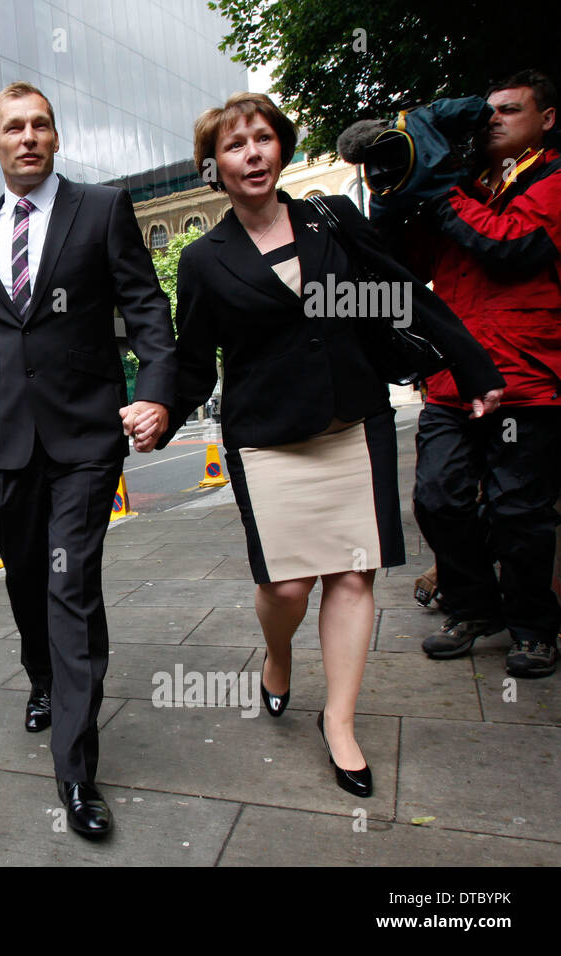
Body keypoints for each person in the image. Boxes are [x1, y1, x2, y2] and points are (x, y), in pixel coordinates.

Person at [158, 93, 504, 797]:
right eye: (235, 145)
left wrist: (469, 362)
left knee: (352, 575)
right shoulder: (201, 259)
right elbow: (193, 360)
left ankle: (339, 723)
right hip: (268, 439)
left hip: (353, 421)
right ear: (214, 167)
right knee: (285, 586)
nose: (252, 153)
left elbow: (400, 294)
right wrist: (159, 409)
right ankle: (278, 655)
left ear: (279, 149)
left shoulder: (330, 218)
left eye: (263, 139)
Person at [0, 82, 178, 838]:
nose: (28, 137)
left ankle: (76, 773)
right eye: (13, 127)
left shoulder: (102, 210)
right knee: (27, 573)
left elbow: (145, 307)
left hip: (84, 441)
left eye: (40, 125)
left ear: (56, 138)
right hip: (4, 442)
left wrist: (159, 393)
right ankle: (41, 676)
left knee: (70, 585)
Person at [390, 70, 561, 678]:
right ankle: (473, 607)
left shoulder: (553, 180)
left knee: (520, 512)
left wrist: (440, 193)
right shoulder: (464, 188)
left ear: (546, 119)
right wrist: (397, 184)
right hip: (453, 381)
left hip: (527, 381)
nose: (494, 120)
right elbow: (408, 261)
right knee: (437, 498)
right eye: (487, 112)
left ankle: (536, 627)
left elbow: (512, 246)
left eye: (511, 110)